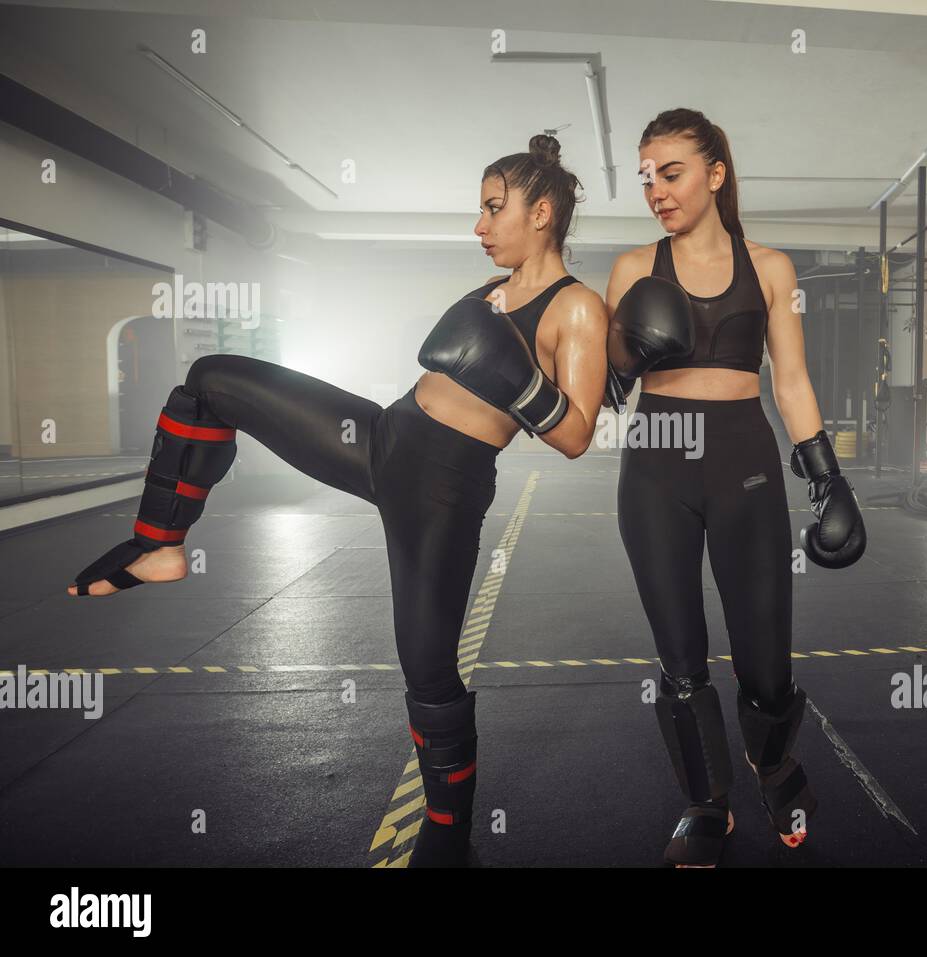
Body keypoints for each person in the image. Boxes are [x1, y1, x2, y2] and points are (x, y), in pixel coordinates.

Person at [67, 134, 611, 868]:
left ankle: (449, 837)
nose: (477, 227)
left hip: (441, 489)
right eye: (478, 211)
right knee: (210, 378)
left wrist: (515, 377)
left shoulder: (576, 309)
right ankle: (161, 543)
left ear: (541, 211)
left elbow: (576, 433)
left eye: (492, 209)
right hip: (382, 436)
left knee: (427, 669)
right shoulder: (489, 290)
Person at [606, 108, 866, 868]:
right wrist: (621, 356)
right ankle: (704, 807)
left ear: (715, 173)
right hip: (654, 460)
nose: (656, 188)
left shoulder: (772, 267)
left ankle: (779, 771)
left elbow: (789, 380)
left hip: (744, 459)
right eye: (646, 174)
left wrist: (827, 479)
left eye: (672, 171)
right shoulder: (631, 268)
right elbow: (604, 393)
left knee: (764, 659)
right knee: (681, 659)